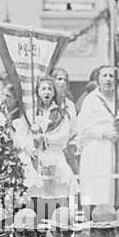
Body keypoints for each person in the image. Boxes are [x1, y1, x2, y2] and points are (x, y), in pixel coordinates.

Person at [28, 75, 78, 213]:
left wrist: (44, 139)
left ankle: (60, 222)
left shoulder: (60, 113)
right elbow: (23, 134)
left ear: (54, 92)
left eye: (50, 89)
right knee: (38, 195)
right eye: (43, 88)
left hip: (55, 156)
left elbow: (63, 136)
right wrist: (31, 144)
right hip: (37, 158)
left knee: (60, 194)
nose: (47, 92)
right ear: (37, 91)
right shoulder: (31, 112)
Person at [74, 66, 119, 208]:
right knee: (95, 186)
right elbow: (82, 128)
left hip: (115, 148)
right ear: (98, 79)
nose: (108, 79)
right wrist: (103, 134)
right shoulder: (91, 99)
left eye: (111, 76)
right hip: (96, 148)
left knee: (112, 186)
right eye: (104, 75)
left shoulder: (118, 99)